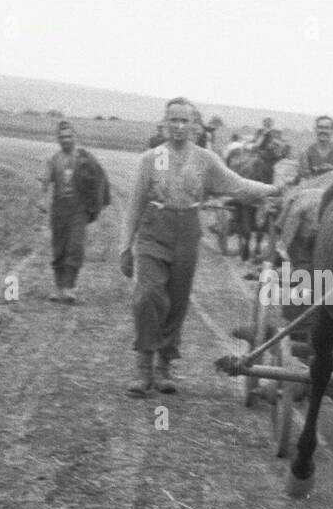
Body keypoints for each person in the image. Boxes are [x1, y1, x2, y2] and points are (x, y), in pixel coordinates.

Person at [119, 98, 281, 396]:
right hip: (154, 230)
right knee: (148, 296)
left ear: (194, 126)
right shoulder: (151, 159)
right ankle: (143, 367)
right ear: (165, 123)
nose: (179, 126)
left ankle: (164, 368)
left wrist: (276, 190)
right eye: (174, 120)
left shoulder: (205, 160)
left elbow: (238, 186)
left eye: (185, 121)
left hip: (187, 230)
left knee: (177, 302)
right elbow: (134, 206)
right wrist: (124, 247)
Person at [42, 120, 110, 302]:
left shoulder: (85, 159)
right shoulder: (54, 160)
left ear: (75, 137)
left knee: (75, 248)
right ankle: (59, 289)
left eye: (69, 136)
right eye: (62, 137)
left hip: (78, 210)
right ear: (57, 139)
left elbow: (100, 179)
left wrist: (97, 204)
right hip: (59, 211)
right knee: (59, 250)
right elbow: (45, 183)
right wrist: (42, 200)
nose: (66, 140)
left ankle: (70, 288)